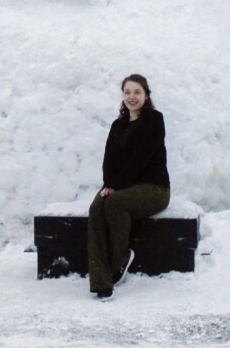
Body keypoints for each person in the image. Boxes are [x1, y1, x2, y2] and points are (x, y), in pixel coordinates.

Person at [87, 73, 170, 299]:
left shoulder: (154, 120)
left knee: (114, 203)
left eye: (137, 92)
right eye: (127, 92)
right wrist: (108, 183)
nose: (132, 97)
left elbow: (141, 160)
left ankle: (121, 259)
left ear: (146, 95)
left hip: (153, 188)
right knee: (96, 209)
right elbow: (108, 160)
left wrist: (115, 186)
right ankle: (101, 282)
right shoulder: (118, 125)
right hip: (119, 185)